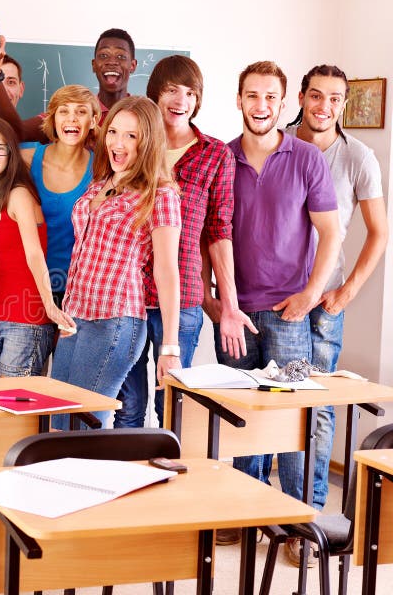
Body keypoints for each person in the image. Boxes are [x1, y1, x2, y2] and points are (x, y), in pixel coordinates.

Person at [208, 61, 340, 547]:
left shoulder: (307, 158)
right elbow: (207, 236)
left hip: (288, 315)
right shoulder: (220, 157)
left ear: (283, 104)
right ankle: (246, 513)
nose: (260, 106)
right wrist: (218, 303)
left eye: (269, 97)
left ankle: (299, 525)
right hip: (235, 315)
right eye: (251, 96)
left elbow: (331, 233)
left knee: (292, 417)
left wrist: (309, 295)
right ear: (239, 100)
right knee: (242, 417)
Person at [116, 55, 255, 428]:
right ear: (155, 93)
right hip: (125, 294)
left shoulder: (215, 155)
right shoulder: (129, 145)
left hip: (182, 296)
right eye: (172, 90)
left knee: (171, 403)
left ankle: (169, 477)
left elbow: (219, 231)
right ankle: (126, 479)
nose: (181, 100)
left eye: (190, 93)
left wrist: (229, 304)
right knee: (126, 405)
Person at [284, 64, 388, 557]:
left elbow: (379, 232)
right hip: (273, 300)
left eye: (335, 99)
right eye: (317, 96)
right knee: (265, 407)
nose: (325, 107)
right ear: (301, 97)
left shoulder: (358, 156)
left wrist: (345, 292)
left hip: (323, 306)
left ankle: (309, 520)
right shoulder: (277, 142)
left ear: (343, 104)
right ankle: (260, 511)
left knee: (318, 409)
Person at [51, 96, 182, 429]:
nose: (118, 143)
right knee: (58, 421)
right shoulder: (101, 183)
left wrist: (170, 346)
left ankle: (93, 482)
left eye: (131, 136)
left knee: (86, 425)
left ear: (148, 142)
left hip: (114, 320)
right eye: (113, 133)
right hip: (74, 315)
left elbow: (166, 272)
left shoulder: (160, 193)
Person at [0, 118, 75, 378]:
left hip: (28, 320)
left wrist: (50, 307)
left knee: (12, 404)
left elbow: (34, 254)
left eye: (0, 148)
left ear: (11, 154)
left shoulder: (19, 194)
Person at [0, 23, 135, 142]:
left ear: (133, 65)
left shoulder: (143, 115)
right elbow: (17, 132)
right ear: (94, 65)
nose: (112, 62)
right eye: (103, 55)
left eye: (121, 57)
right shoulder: (73, 111)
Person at [21, 85, 100, 303]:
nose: (72, 118)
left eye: (81, 112)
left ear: (93, 121)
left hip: (77, 288)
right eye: (64, 111)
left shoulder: (101, 170)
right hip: (29, 284)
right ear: (52, 118)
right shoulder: (26, 159)